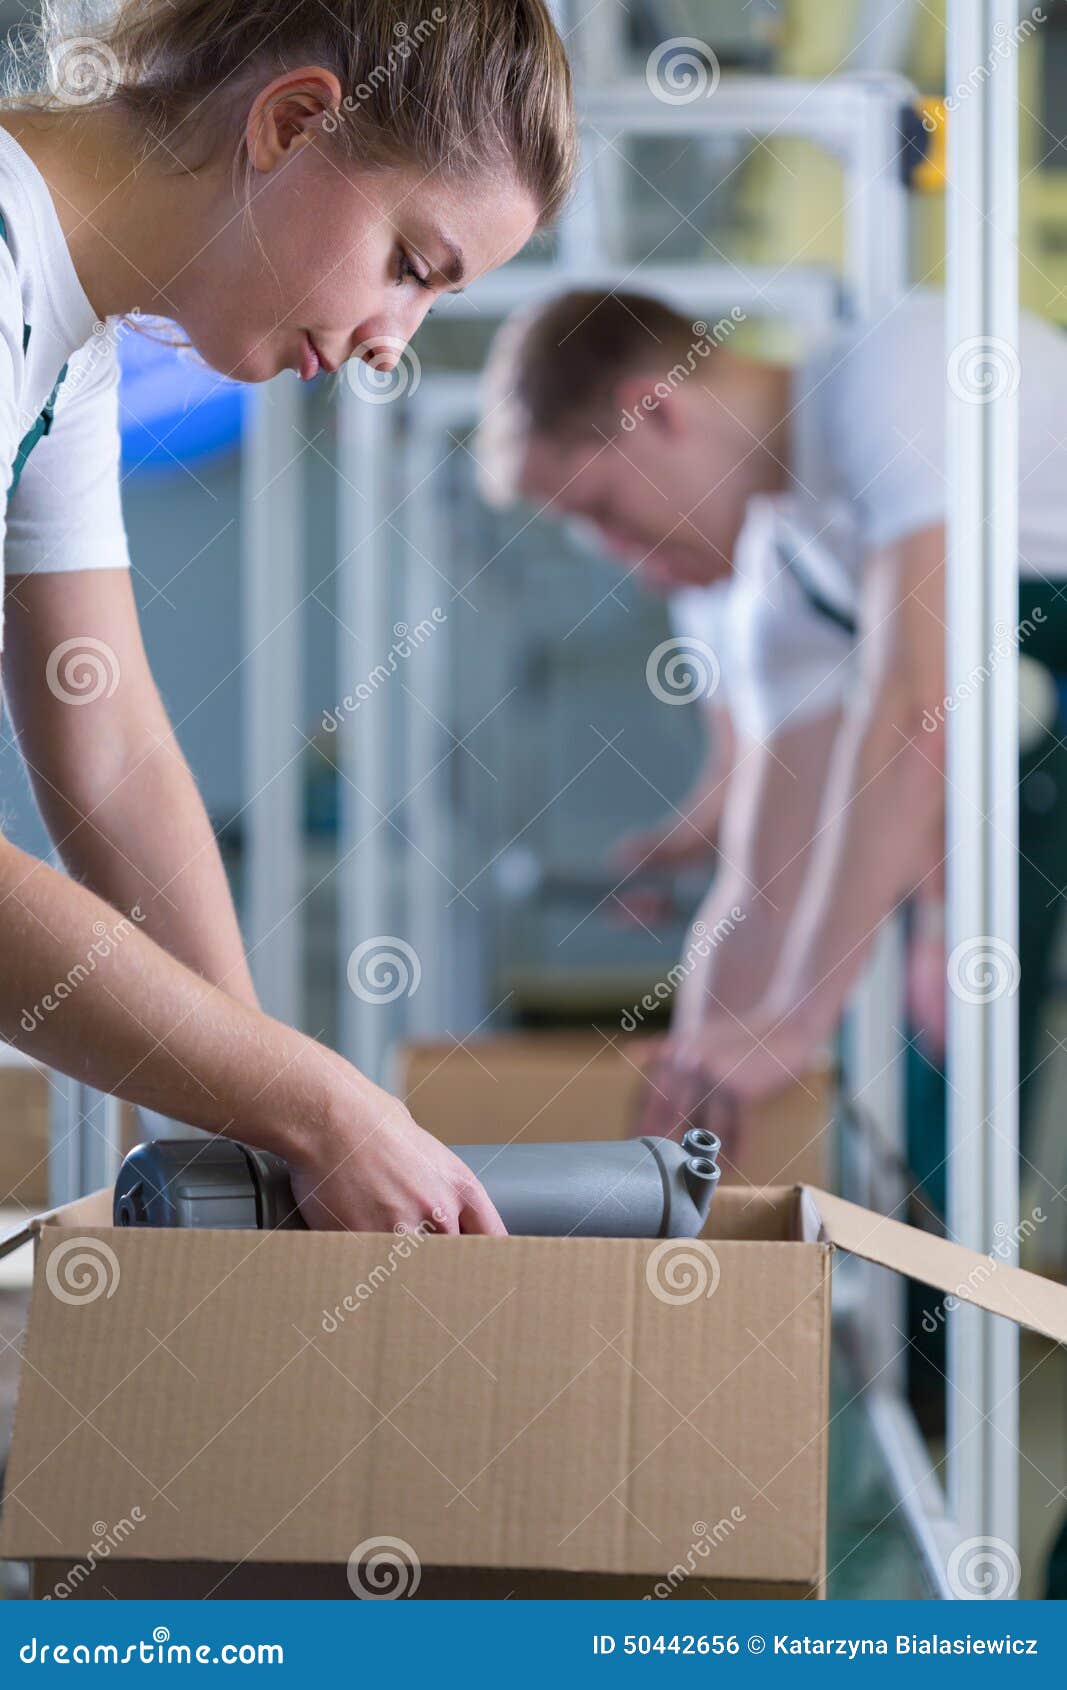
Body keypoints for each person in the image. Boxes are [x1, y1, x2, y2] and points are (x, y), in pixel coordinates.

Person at [0, 0, 576, 1232]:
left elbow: (108, 743)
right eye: (411, 267)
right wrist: (311, 1107)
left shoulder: (72, 347)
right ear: (294, 123)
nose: (390, 345)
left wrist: (256, 1143)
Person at [475, 288, 1067, 1144]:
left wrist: (792, 1021)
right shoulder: (786, 571)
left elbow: (913, 714)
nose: (628, 565)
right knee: (942, 1073)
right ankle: (946, 1275)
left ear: (654, 411)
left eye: (602, 510)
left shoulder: (897, 375)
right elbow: (761, 880)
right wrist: (694, 1078)